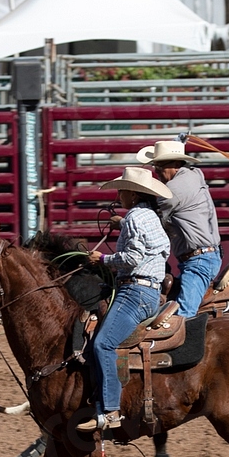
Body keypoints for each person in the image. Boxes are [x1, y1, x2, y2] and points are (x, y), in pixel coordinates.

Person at [75, 166, 172, 432]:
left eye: (121, 190)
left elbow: (132, 259)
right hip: (149, 292)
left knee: (103, 344)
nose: (118, 195)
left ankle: (110, 410)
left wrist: (102, 259)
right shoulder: (149, 216)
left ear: (132, 193)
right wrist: (122, 225)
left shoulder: (134, 218)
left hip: (135, 292)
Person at [137, 139, 222, 319]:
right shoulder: (193, 175)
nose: (157, 171)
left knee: (184, 316)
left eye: (161, 165)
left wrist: (123, 223)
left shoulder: (173, 190)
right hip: (202, 256)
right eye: (155, 166)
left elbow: (149, 221)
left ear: (176, 164)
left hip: (199, 260)